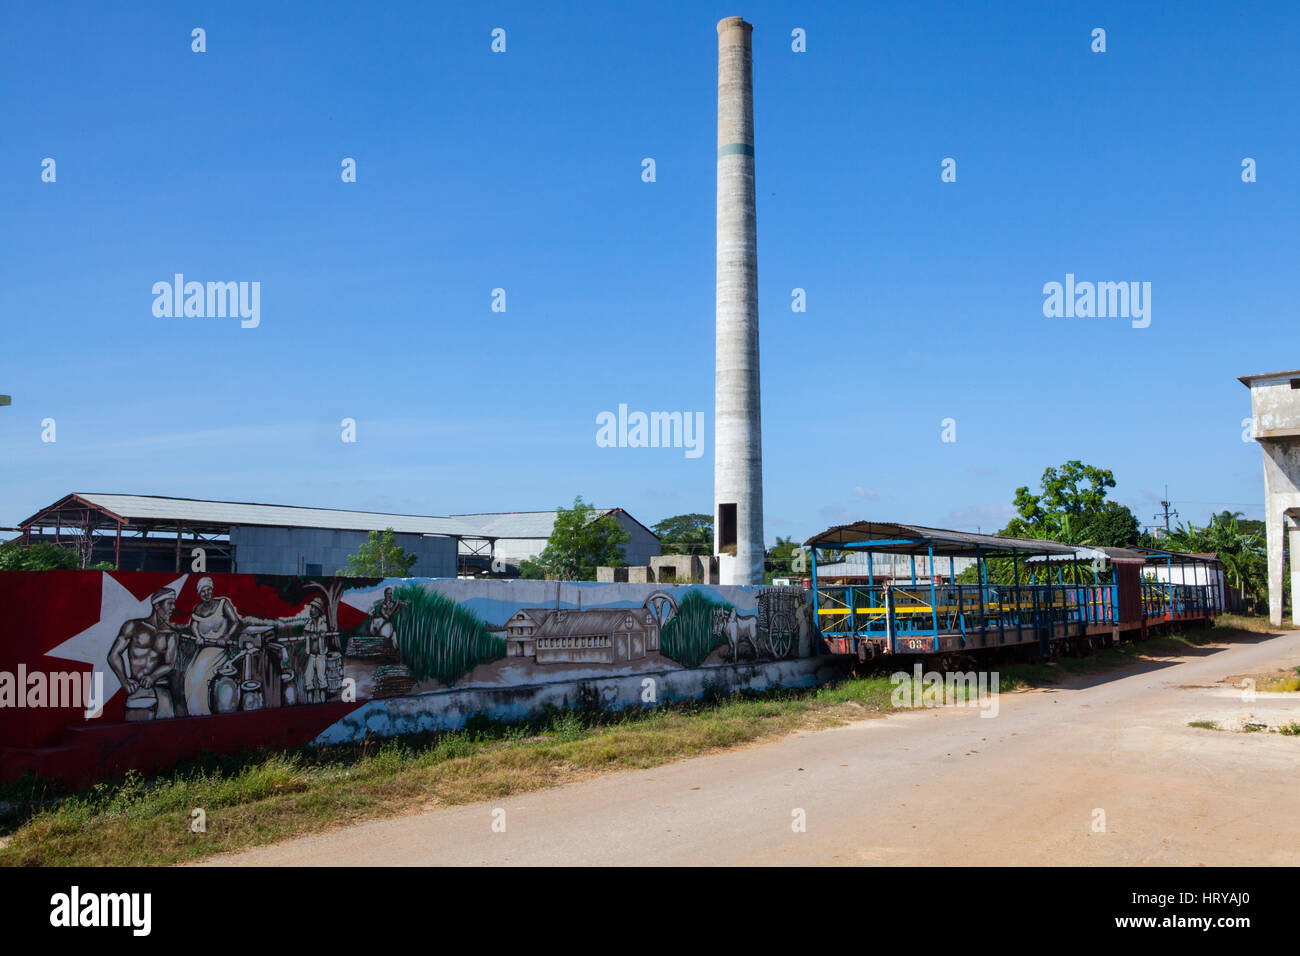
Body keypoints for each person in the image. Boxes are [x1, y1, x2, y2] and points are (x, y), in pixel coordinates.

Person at [107, 588, 180, 720]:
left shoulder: (171, 635)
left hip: (161, 688)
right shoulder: (133, 626)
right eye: (169, 603)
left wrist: (153, 677)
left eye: (173, 603)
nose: (173, 608)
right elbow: (113, 655)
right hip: (138, 691)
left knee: (165, 731)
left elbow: (170, 663)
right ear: (157, 606)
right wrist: (124, 682)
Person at [184, 576, 244, 715]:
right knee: (190, 677)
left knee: (202, 676)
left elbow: (235, 622)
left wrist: (226, 636)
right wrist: (198, 637)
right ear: (199, 594)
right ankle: (196, 712)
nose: (206, 594)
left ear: (212, 590)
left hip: (220, 650)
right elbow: (193, 626)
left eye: (208, 590)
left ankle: (204, 711)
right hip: (203, 650)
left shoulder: (223, 603)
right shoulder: (198, 609)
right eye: (203, 591)